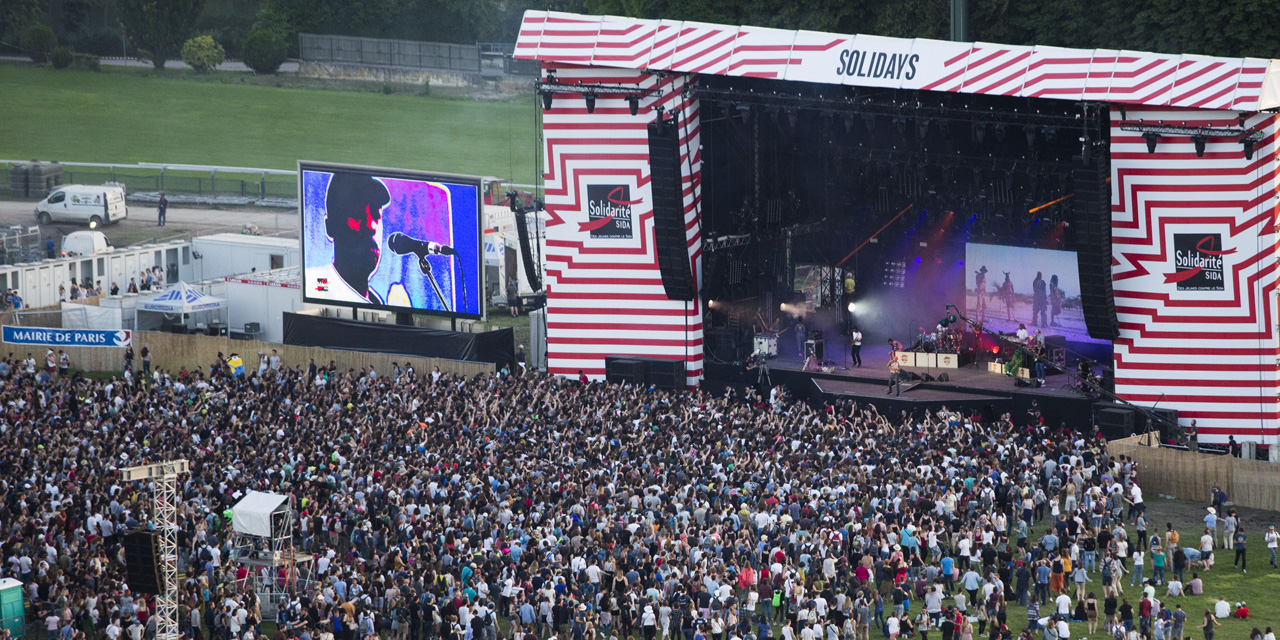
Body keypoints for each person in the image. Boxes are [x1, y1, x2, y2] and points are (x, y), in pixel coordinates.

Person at [307, 173, 390, 304]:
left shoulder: (377, 302)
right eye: (358, 214)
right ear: (331, 226)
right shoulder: (314, 283)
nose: (371, 225)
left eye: (376, 214)